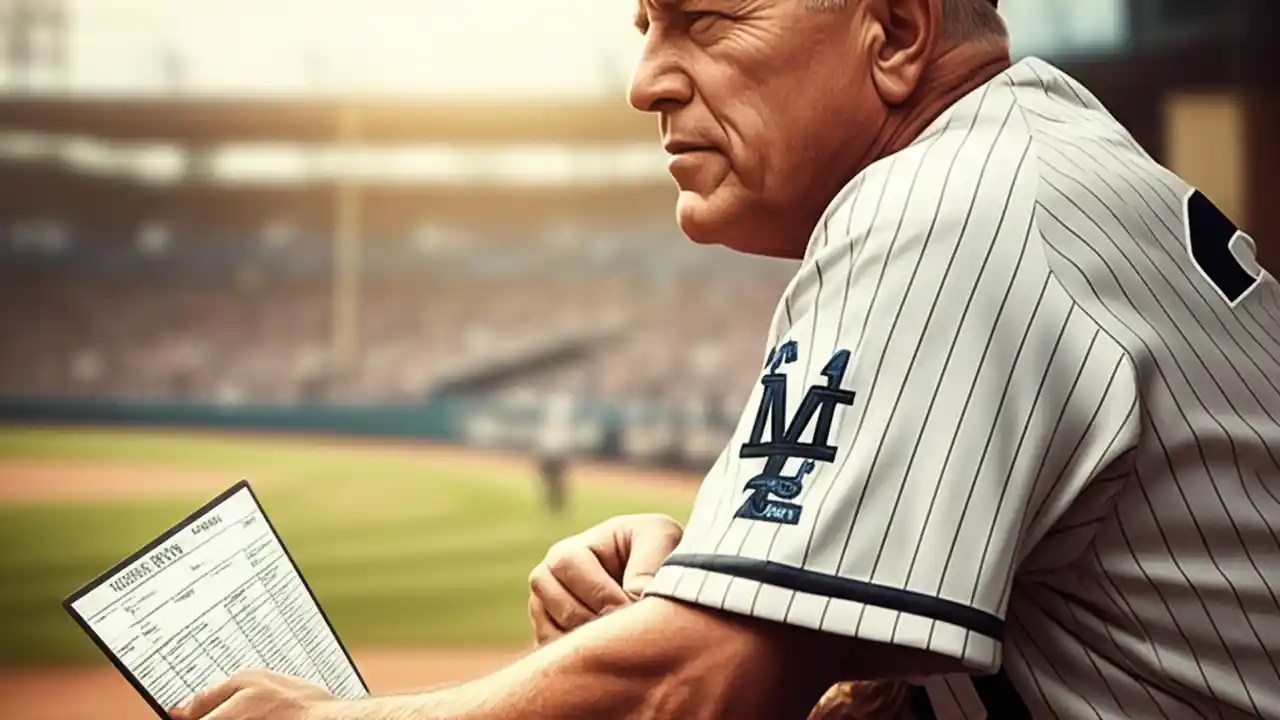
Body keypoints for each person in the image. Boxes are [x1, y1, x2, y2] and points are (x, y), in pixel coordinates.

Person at [170, 0, 1280, 717]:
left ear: (893, 33)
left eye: (706, 21)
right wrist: (718, 586)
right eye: (645, 25)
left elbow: (698, 695)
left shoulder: (943, 206)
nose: (645, 80)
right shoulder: (1023, 157)